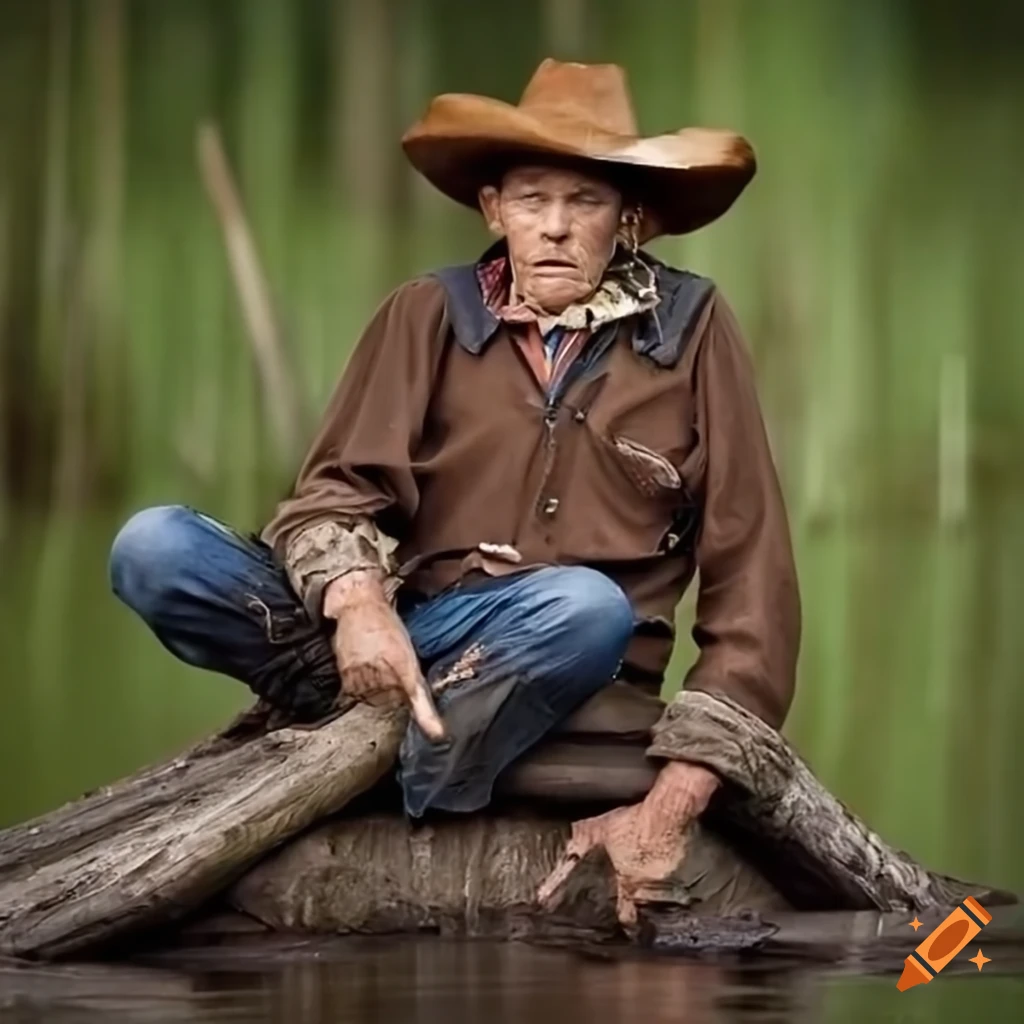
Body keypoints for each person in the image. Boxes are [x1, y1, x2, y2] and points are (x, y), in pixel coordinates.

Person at [108, 59, 800, 925]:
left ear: (628, 220)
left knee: (584, 606)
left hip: (573, 664)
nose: (553, 227)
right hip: (410, 638)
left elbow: (754, 586)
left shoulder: (692, 330)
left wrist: (672, 805)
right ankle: (376, 714)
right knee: (156, 546)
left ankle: (409, 769)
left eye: (582, 203)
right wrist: (359, 602)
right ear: (492, 210)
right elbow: (329, 497)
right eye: (530, 200)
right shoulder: (426, 313)